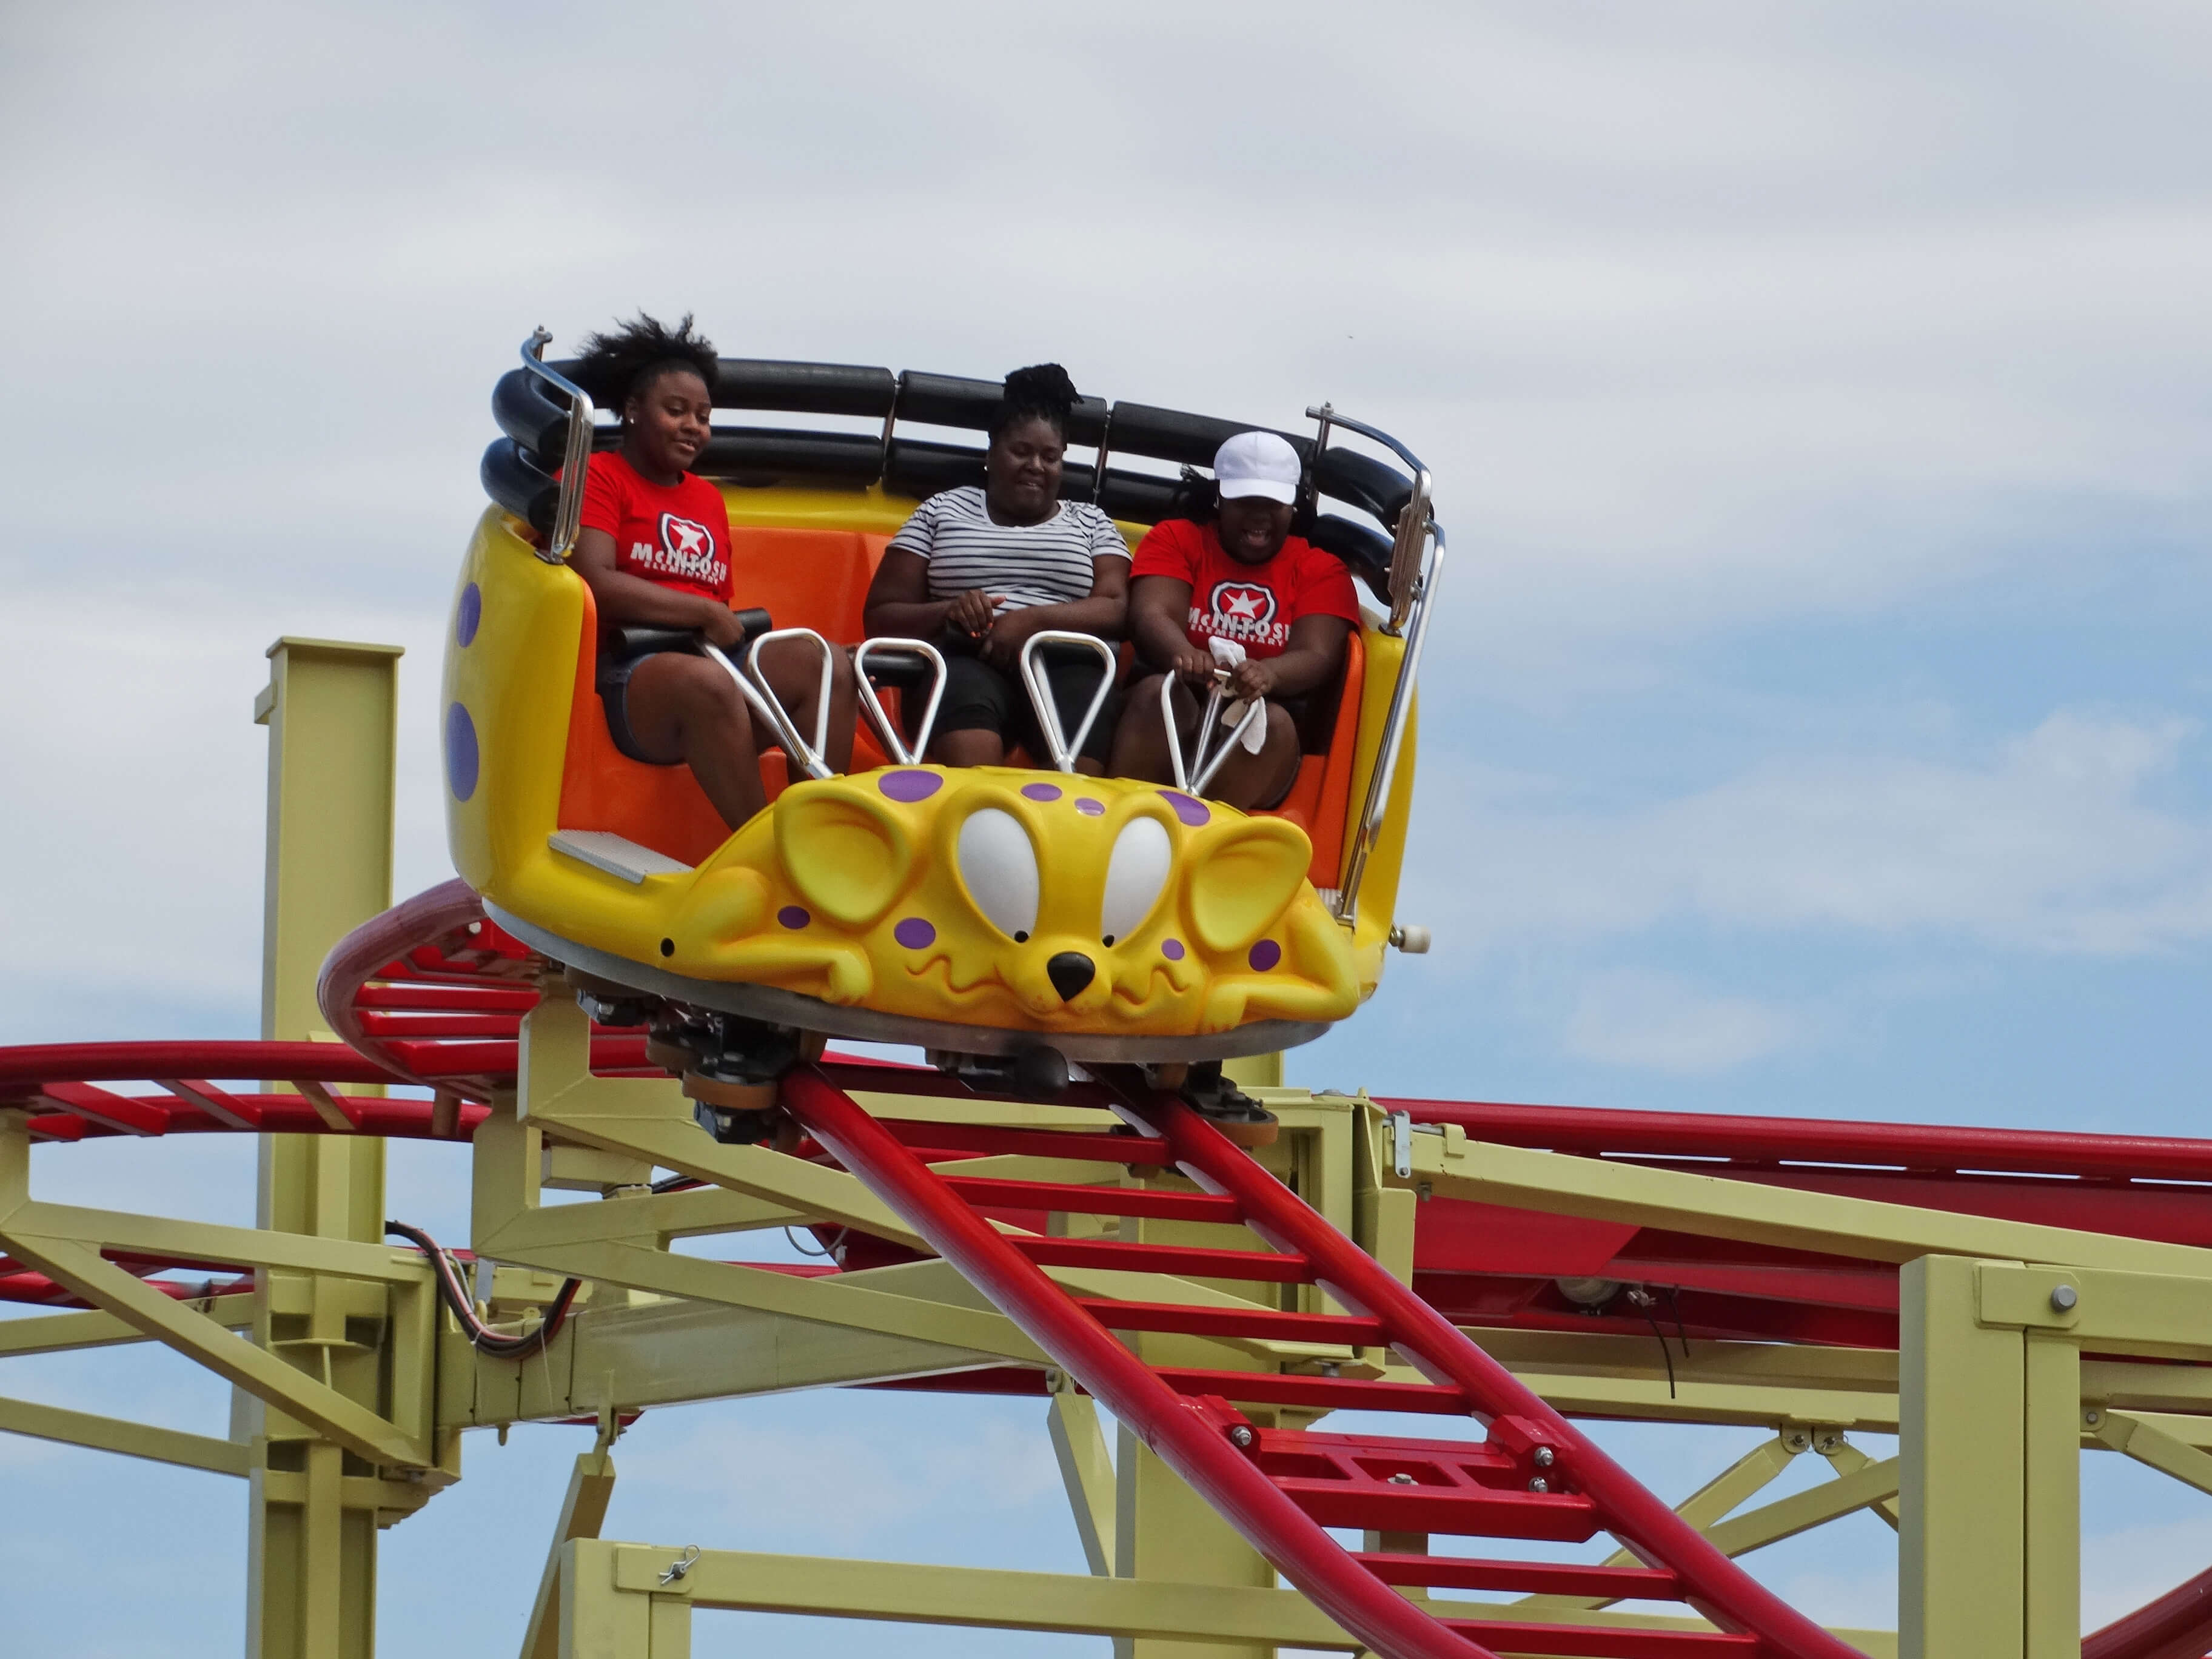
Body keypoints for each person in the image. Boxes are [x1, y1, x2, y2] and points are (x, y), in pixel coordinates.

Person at [567, 313, 856, 829]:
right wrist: (700, 611)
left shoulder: (707, 498)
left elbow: (719, 609)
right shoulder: (599, 475)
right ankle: (764, 847)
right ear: (633, 411)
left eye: (703, 415)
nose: (693, 426)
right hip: (629, 670)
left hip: (712, 662)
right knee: (707, 685)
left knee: (825, 660)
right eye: (675, 411)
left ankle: (822, 834)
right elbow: (594, 580)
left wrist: (710, 616)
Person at [862, 364, 1128, 773]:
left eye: (1050, 456)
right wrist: (948, 611)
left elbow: (1115, 608)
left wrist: (1031, 622)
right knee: (976, 769)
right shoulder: (941, 510)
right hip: (960, 660)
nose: (1036, 465)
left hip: (1068, 665)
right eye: (1021, 451)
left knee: (1076, 775)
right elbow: (881, 616)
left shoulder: (1091, 521)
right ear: (991, 455)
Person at [1108, 431, 1359, 811]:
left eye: (1272, 503)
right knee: (1157, 695)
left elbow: (1318, 654)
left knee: (1271, 724)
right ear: (1219, 497)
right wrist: (1182, 653)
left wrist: (1270, 674)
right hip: (1177, 699)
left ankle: (1206, 837)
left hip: (1264, 720)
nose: (1259, 515)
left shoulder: (1321, 569)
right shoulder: (1176, 539)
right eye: (1244, 501)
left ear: (1292, 507)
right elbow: (1151, 613)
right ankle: (1119, 816)